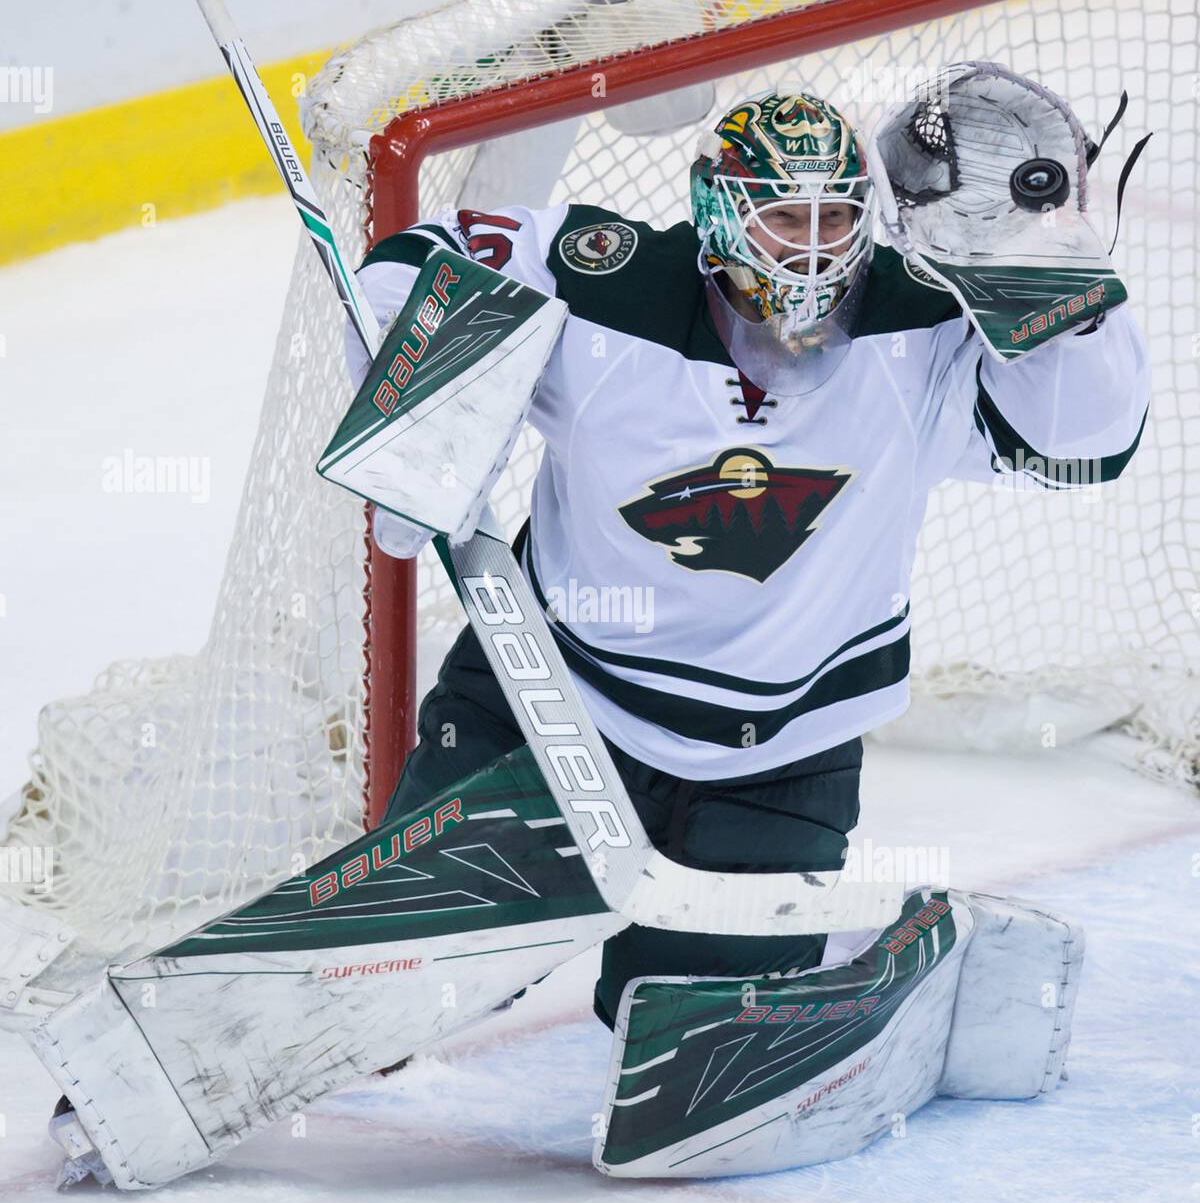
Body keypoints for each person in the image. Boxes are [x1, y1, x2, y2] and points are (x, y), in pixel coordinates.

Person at [344, 87, 1148, 1031]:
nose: (811, 247)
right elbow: (414, 261)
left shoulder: (923, 330)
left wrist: (1057, 297)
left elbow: (1083, 444)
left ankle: (836, 957)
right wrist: (414, 417)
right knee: (407, 981)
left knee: (693, 1027)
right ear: (718, 212)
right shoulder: (608, 280)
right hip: (547, 702)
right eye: (781, 218)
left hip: (784, 753)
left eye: (836, 216)